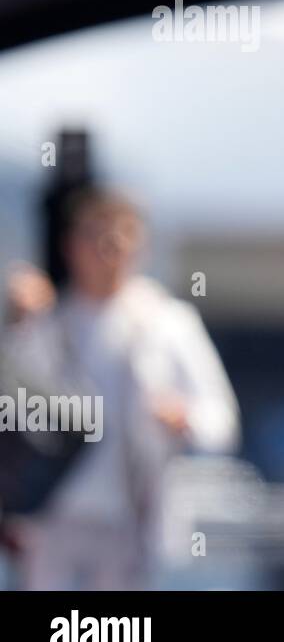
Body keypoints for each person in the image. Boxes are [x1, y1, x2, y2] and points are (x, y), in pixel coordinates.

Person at [1, 186, 240, 589]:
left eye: (119, 240)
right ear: (70, 246)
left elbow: (222, 422)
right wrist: (14, 321)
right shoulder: (45, 323)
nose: (107, 253)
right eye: (95, 239)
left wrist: (184, 417)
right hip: (49, 522)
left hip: (131, 523)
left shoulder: (167, 322)